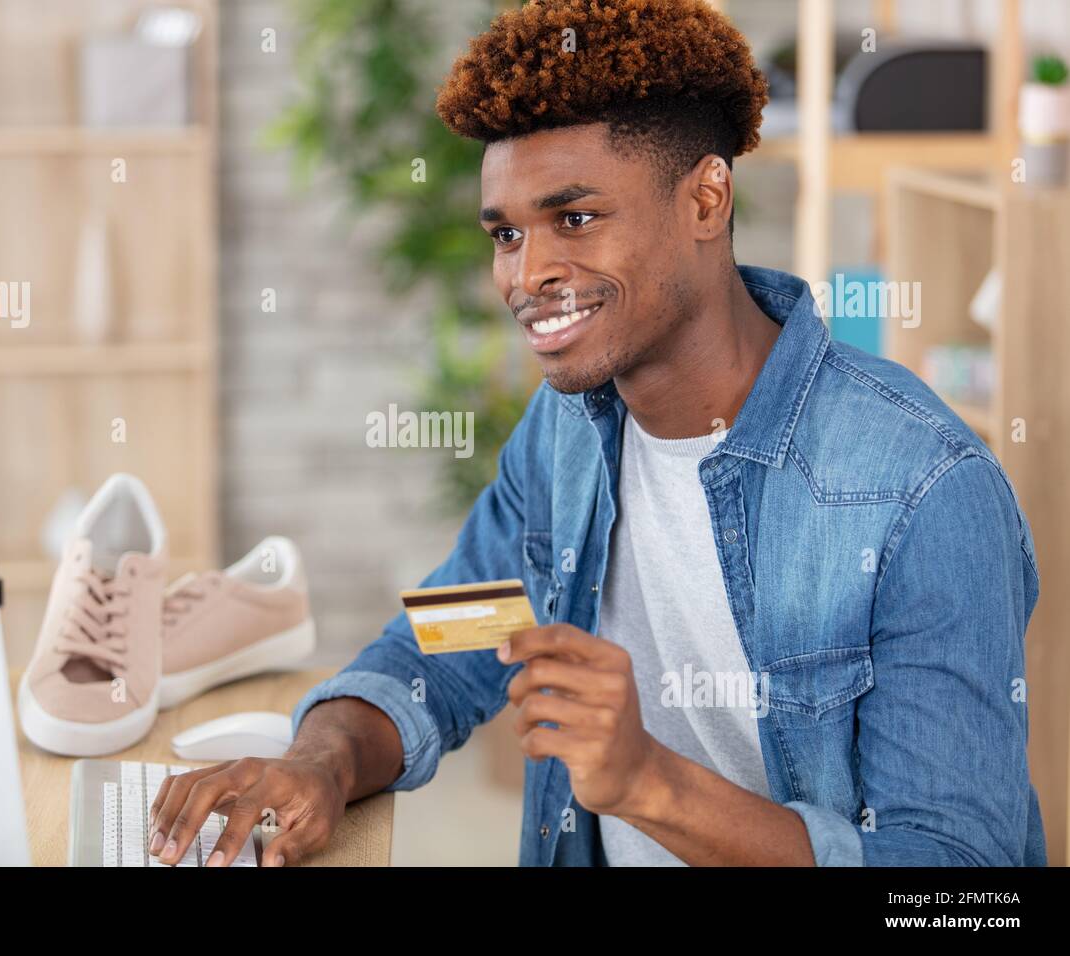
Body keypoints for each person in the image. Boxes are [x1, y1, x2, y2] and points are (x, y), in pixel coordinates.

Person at [149, 0, 1045, 867]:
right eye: (506, 234)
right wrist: (320, 764)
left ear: (706, 199)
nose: (528, 275)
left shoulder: (923, 489)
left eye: (574, 219)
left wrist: (648, 782)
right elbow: (447, 640)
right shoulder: (570, 430)